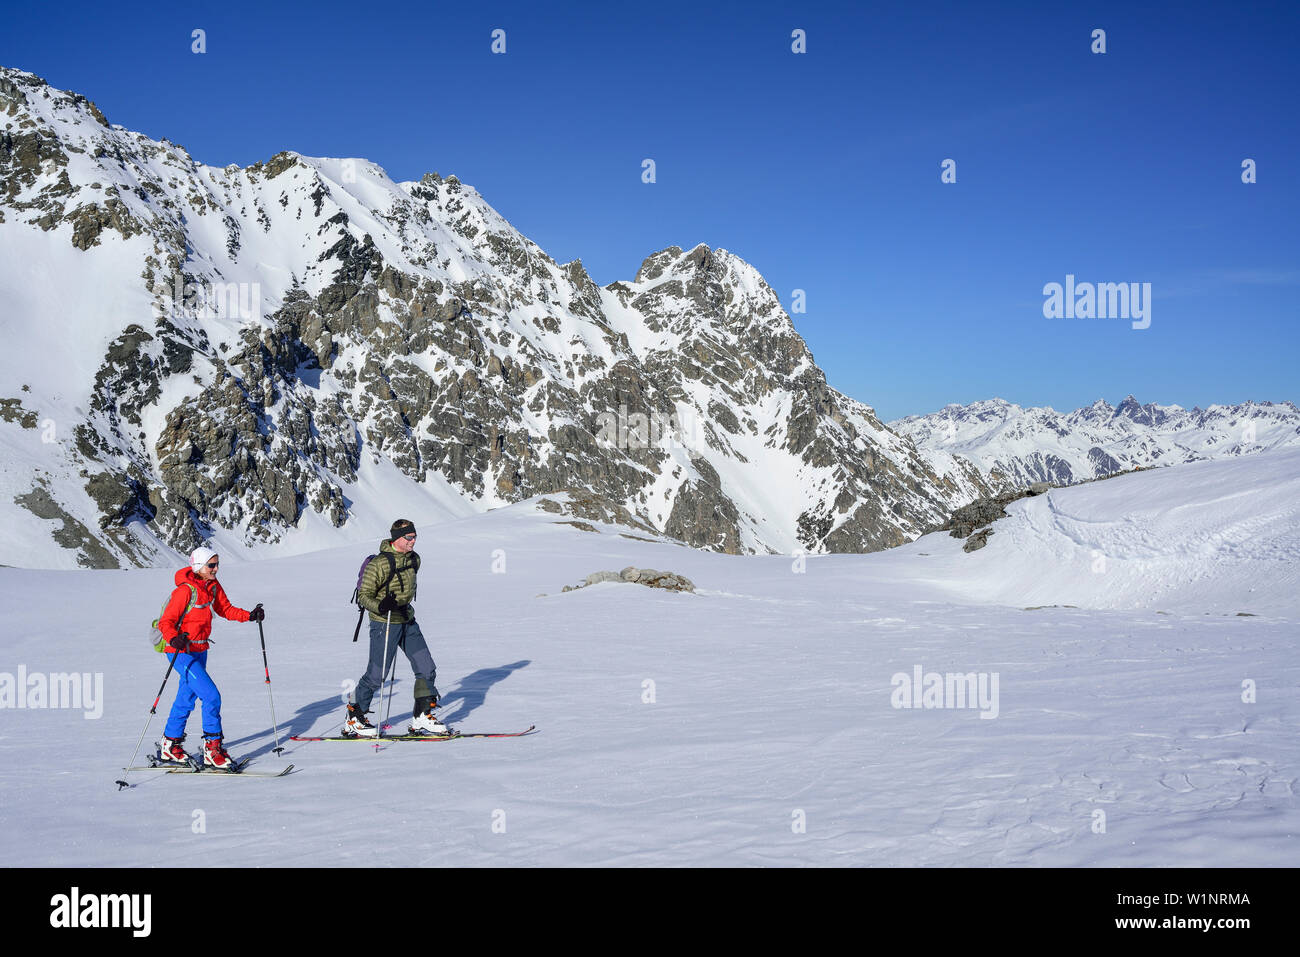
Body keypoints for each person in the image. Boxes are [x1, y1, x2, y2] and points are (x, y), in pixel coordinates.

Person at [156, 546, 264, 768]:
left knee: (186, 697)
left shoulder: (212, 586)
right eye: (211, 565)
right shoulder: (185, 591)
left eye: (217, 564)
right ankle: (212, 750)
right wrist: (174, 638)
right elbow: (165, 622)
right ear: (198, 566)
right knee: (211, 696)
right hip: (180, 652)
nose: (216, 569)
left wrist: (250, 616)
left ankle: (170, 745)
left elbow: (225, 609)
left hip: (200, 649)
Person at [344, 519, 445, 737]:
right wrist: (380, 605)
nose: (413, 540)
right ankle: (355, 717)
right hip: (384, 622)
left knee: (427, 667)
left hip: (406, 618)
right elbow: (363, 596)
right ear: (397, 539)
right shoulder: (379, 564)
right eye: (409, 537)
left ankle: (422, 716)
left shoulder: (414, 559)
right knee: (377, 674)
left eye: (415, 536)